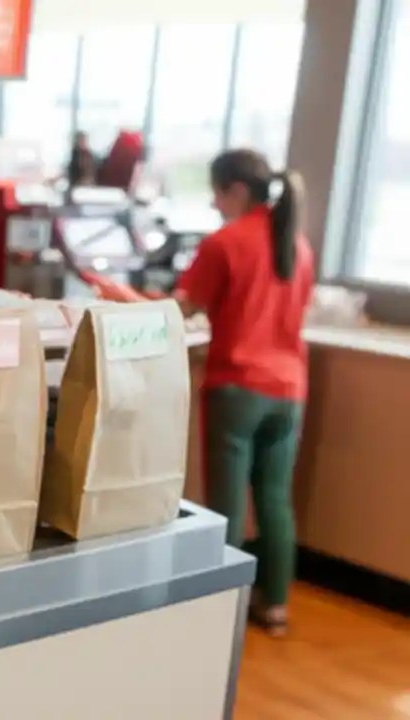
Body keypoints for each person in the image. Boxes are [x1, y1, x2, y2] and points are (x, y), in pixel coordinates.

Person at [95, 149, 314, 637]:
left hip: (238, 387)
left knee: (227, 504)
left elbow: (184, 308)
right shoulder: (296, 244)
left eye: (216, 193)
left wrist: (121, 296)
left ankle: (224, 609)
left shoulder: (227, 242)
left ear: (236, 190)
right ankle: (274, 607)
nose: (214, 205)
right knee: (276, 498)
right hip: (290, 388)